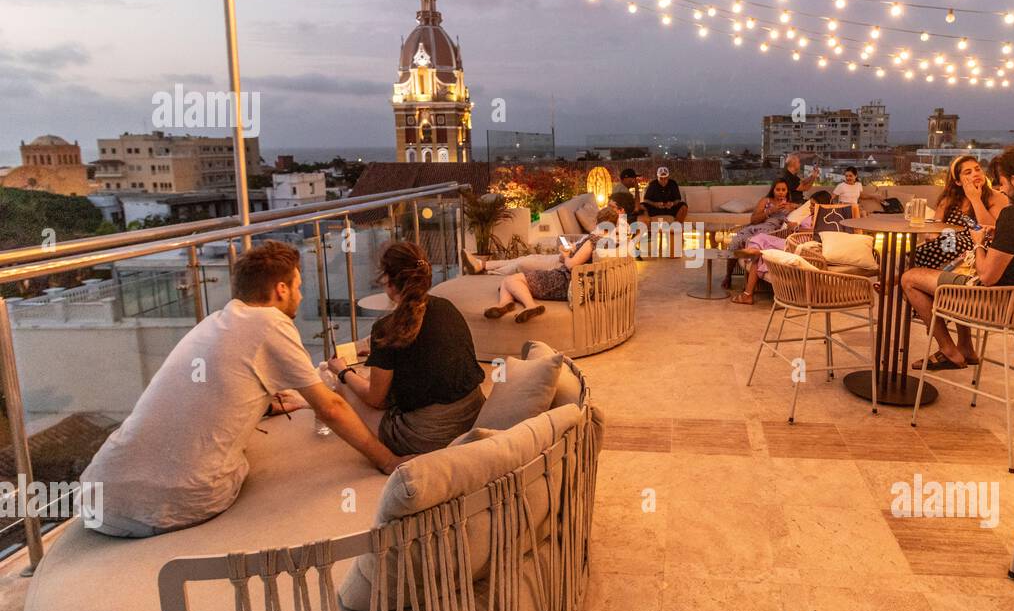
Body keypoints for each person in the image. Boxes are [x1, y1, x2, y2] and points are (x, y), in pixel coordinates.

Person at [79, 241, 404, 538]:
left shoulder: (214, 322)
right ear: (280, 289)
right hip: (176, 504)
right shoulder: (270, 324)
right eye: (298, 287)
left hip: (98, 495)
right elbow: (330, 408)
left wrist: (263, 404)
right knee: (241, 461)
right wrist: (388, 461)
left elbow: (213, 387)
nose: (301, 296)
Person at [902, 146, 1014, 370]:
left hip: (1004, 305)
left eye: (1002, 182)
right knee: (953, 271)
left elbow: (986, 277)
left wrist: (978, 242)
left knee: (910, 278)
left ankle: (948, 349)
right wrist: (1002, 236)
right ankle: (966, 347)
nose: (1001, 188)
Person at [327, 243, 485, 455]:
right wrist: (380, 352)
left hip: (430, 436)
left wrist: (343, 372)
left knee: (346, 388)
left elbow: (377, 399)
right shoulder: (447, 306)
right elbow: (426, 354)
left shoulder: (386, 329)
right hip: (474, 416)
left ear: (389, 282)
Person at [485, 205, 620, 321]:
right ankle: (504, 304)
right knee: (507, 282)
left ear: (597, 222)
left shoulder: (593, 240)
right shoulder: (610, 243)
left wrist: (566, 256)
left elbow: (572, 265)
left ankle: (531, 306)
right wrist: (568, 254)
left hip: (562, 281)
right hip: (564, 278)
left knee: (511, 280)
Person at [729, 191, 835, 304]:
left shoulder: (826, 218)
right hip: (791, 241)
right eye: (810, 204)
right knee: (761, 238)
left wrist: (796, 228)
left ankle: (748, 293)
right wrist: (791, 226)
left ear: (822, 205)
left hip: (800, 247)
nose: (810, 207)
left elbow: (818, 232)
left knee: (760, 252)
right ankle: (755, 252)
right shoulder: (812, 215)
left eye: (813, 205)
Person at [912, 156, 1009, 270]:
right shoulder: (949, 199)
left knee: (950, 240)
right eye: (968, 172)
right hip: (944, 249)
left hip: (979, 249)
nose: (975, 174)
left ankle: (905, 270)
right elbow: (936, 226)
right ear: (958, 181)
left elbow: (990, 232)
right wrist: (933, 235)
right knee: (945, 239)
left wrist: (975, 199)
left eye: (977, 169)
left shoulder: (997, 197)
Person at [722, 179, 795, 289]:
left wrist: (792, 210)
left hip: (768, 234)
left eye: (783, 190)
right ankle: (728, 275)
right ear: (773, 190)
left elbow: (802, 207)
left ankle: (750, 281)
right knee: (734, 243)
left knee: (752, 246)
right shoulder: (765, 201)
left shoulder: (789, 205)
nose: (780, 192)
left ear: (787, 191)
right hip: (754, 228)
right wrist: (771, 210)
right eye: (778, 189)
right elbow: (754, 219)